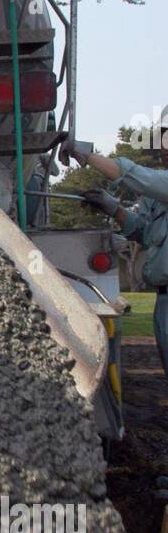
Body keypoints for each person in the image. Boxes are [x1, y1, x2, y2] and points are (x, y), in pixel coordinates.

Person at [62, 109, 168, 376]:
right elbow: (145, 233)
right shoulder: (157, 198)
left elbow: (136, 177)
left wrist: (86, 155)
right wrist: (114, 210)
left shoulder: (159, 185)